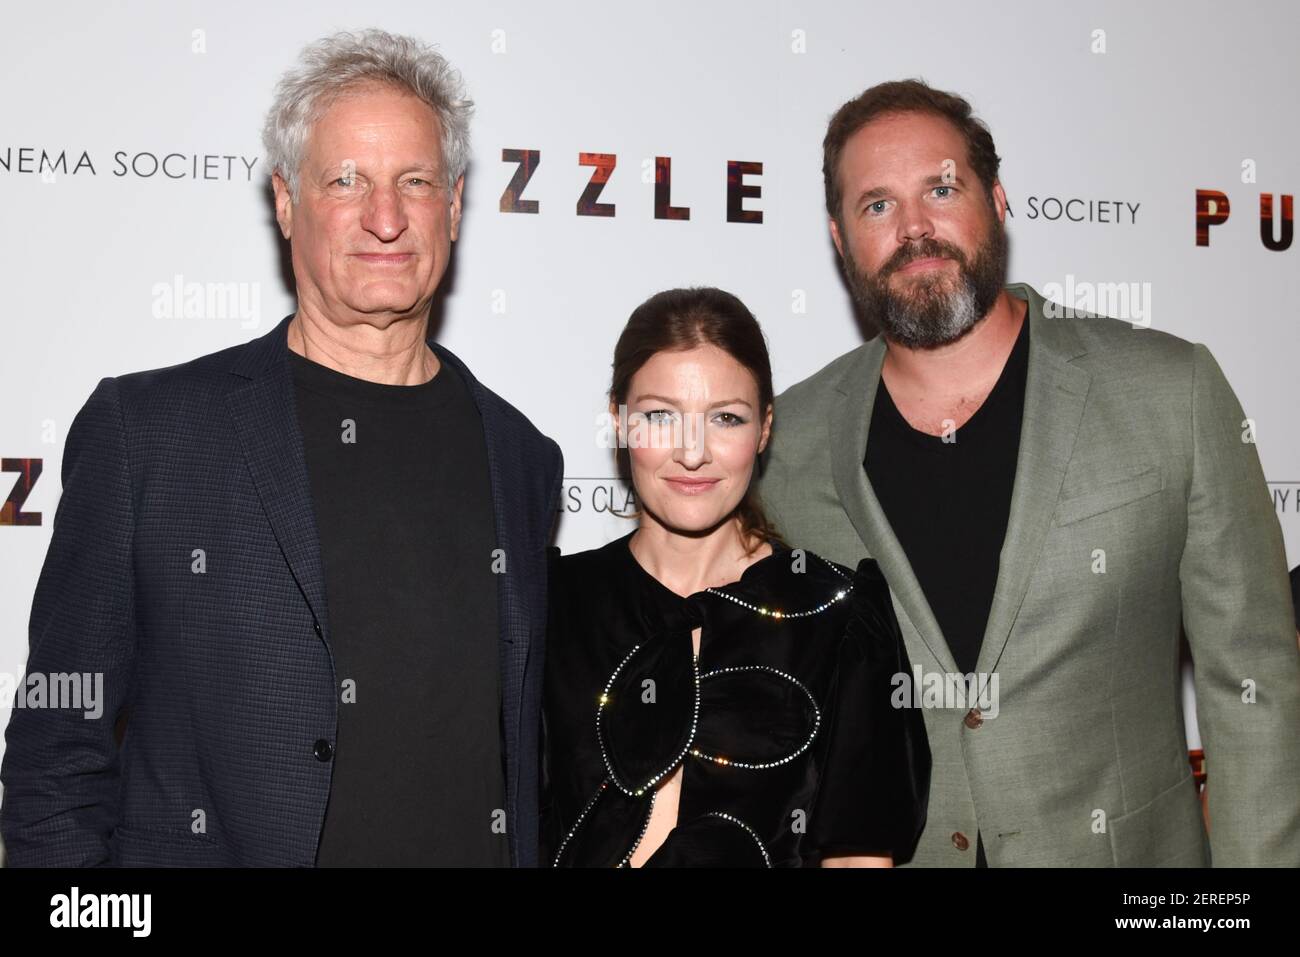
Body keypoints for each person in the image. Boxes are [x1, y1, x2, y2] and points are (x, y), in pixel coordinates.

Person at [0, 29, 562, 866]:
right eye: (346, 181)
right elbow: (58, 741)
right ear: (286, 201)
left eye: (415, 180)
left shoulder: (521, 456)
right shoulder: (146, 434)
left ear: (453, 203)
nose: (385, 216)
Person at [756, 78, 1300, 866]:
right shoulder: (787, 443)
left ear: (999, 202)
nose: (914, 228)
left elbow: (1255, 682)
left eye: (942, 188)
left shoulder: (1169, 391)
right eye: (876, 205)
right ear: (840, 241)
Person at [541, 287, 930, 867]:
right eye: (659, 415)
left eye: (725, 418)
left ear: (765, 429)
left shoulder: (836, 616)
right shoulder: (549, 604)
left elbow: (856, 858)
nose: (692, 453)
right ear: (618, 421)